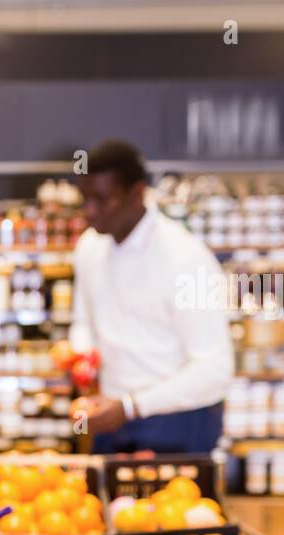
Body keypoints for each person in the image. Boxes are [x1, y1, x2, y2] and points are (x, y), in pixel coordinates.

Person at [70, 140, 233, 454]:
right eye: (85, 198)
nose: (90, 212)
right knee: (102, 504)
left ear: (136, 194)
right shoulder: (90, 247)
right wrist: (81, 356)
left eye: (102, 200)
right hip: (110, 414)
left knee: (177, 504)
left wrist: (131, 405)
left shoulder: (187, 260)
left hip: (180, 421)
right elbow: (83, 322)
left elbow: (214, 369)